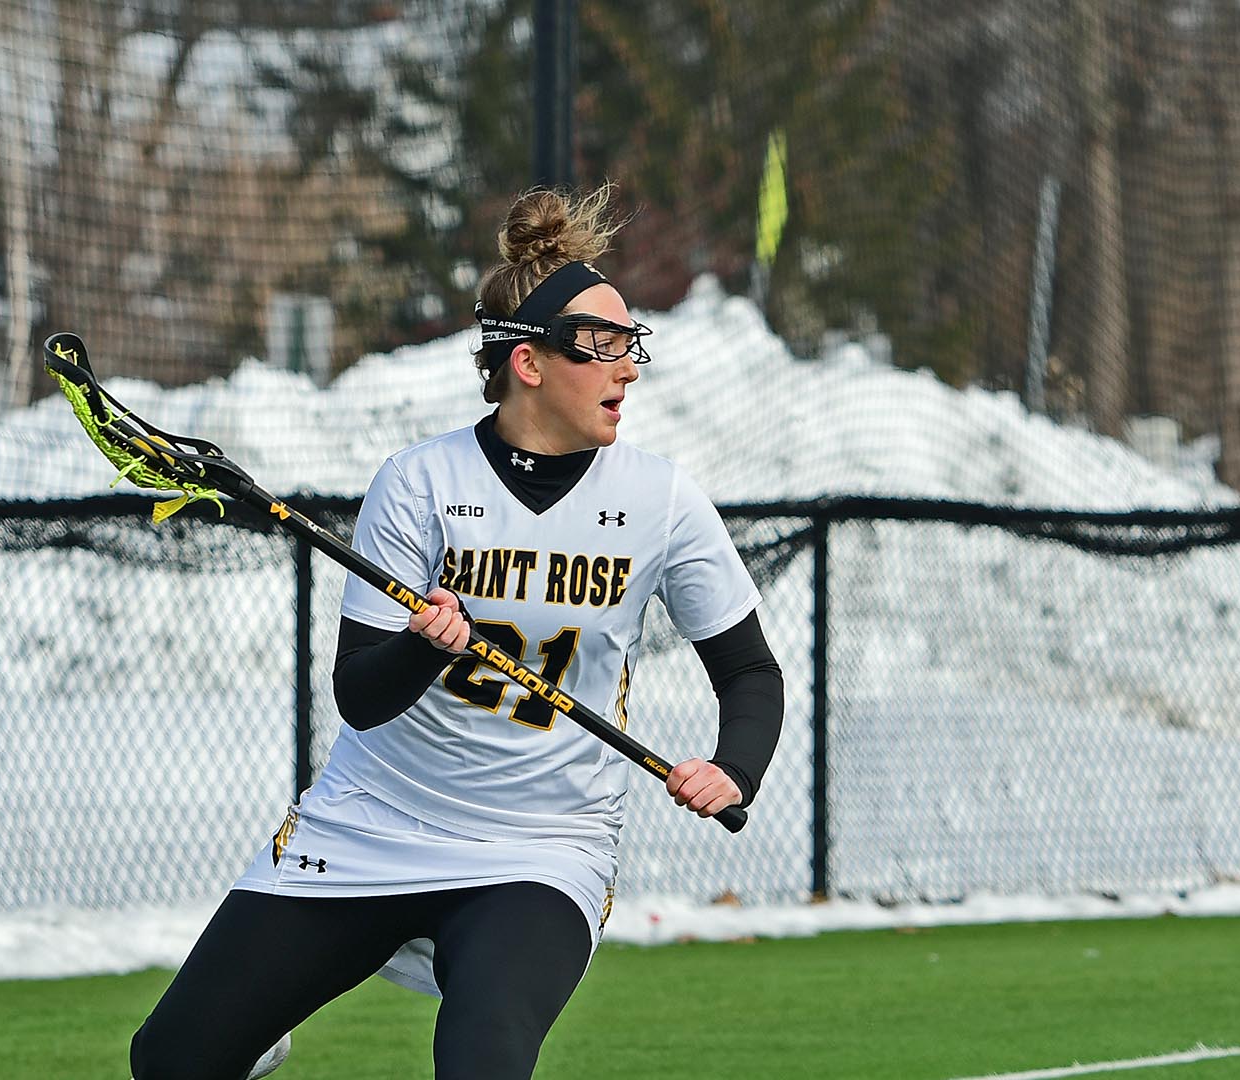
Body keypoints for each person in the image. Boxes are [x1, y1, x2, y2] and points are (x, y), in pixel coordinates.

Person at [129, 184, 785, 1080]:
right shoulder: (419, 483)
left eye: (634, 345)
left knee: (482, 1061)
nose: (629, 368)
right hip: (375, 820)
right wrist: (421, 646)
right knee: (173, 1061)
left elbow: (750, 671)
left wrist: (732, 766)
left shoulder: (660, 500)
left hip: (541, 845)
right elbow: (361, 697)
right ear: (530, 362)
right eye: (606, 346)